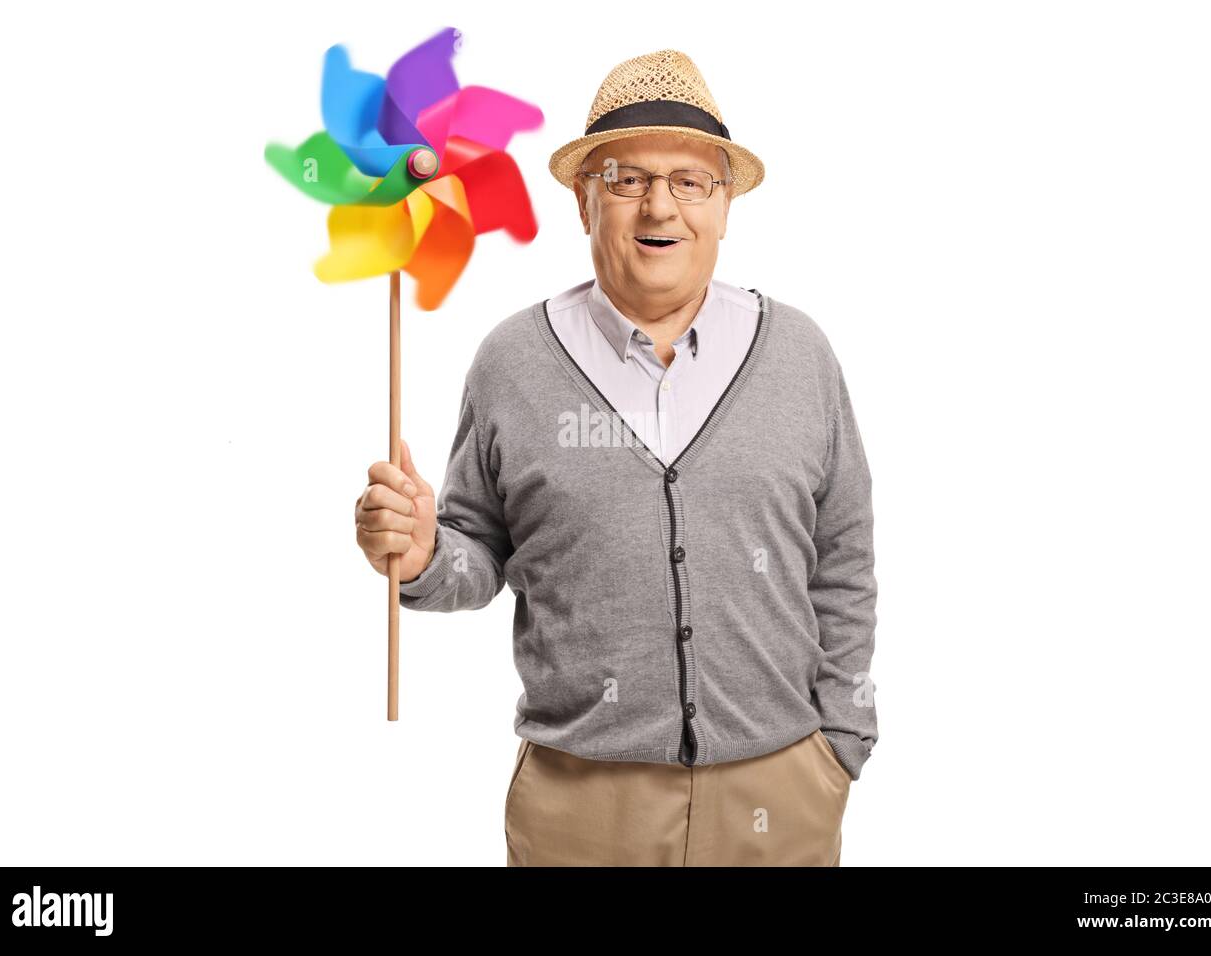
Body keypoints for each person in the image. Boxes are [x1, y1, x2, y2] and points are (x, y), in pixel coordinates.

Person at [355, 49, 879, 866]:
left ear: (726, 202)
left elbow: (843, 555)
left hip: (780, 796)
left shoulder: (800, 355)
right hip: (578, 805)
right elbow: (478, 556)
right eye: (625, 178)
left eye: (689, 180)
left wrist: (840, 741)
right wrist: (424, 555)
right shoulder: (513, 362)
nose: (657, 205)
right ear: (583, 199)